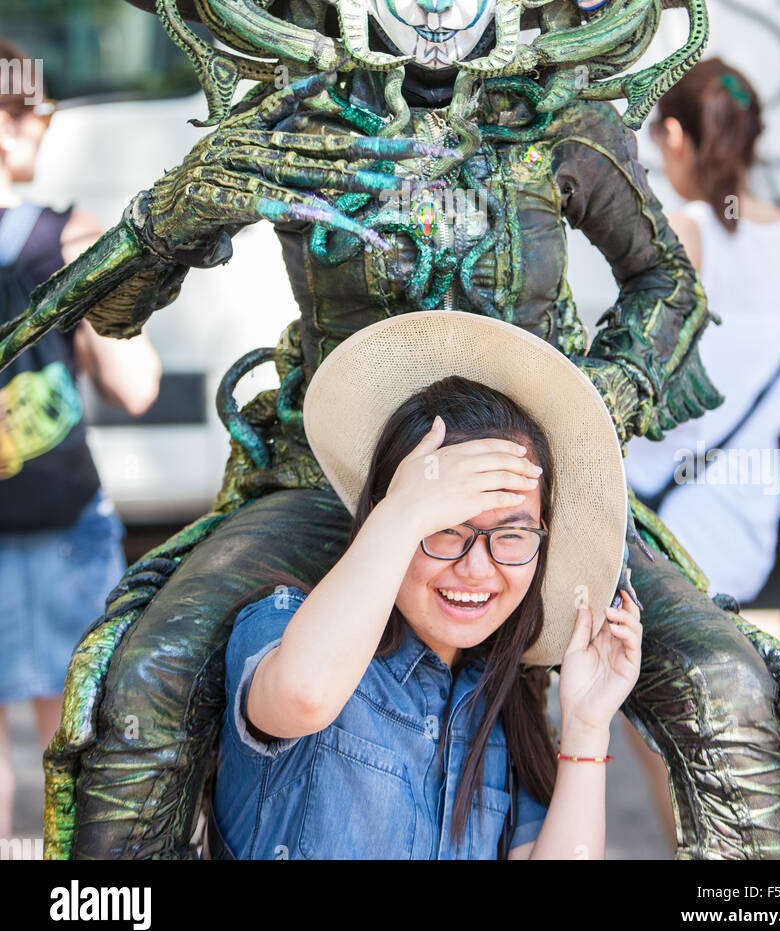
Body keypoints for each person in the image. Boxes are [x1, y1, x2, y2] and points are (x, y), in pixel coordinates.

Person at [208, 310, 641, 860]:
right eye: (443, 530)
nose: (478, 569)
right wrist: (405, 508)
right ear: (388, 519)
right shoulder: (283, 626)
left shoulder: (503, 710)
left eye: (510, 536)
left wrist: (586, 726)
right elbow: (303, 695)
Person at [0, 38, 161, 839]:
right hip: (63, 520)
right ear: (6, 126)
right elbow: (138, 388)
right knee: (70, 746)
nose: (49, 125)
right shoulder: (65, 236)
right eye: (38, 112)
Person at [625, 57, 780, 604]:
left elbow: (637, 380)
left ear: (674, 135)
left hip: (664, 531)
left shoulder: (686, 231)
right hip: (746, 525)